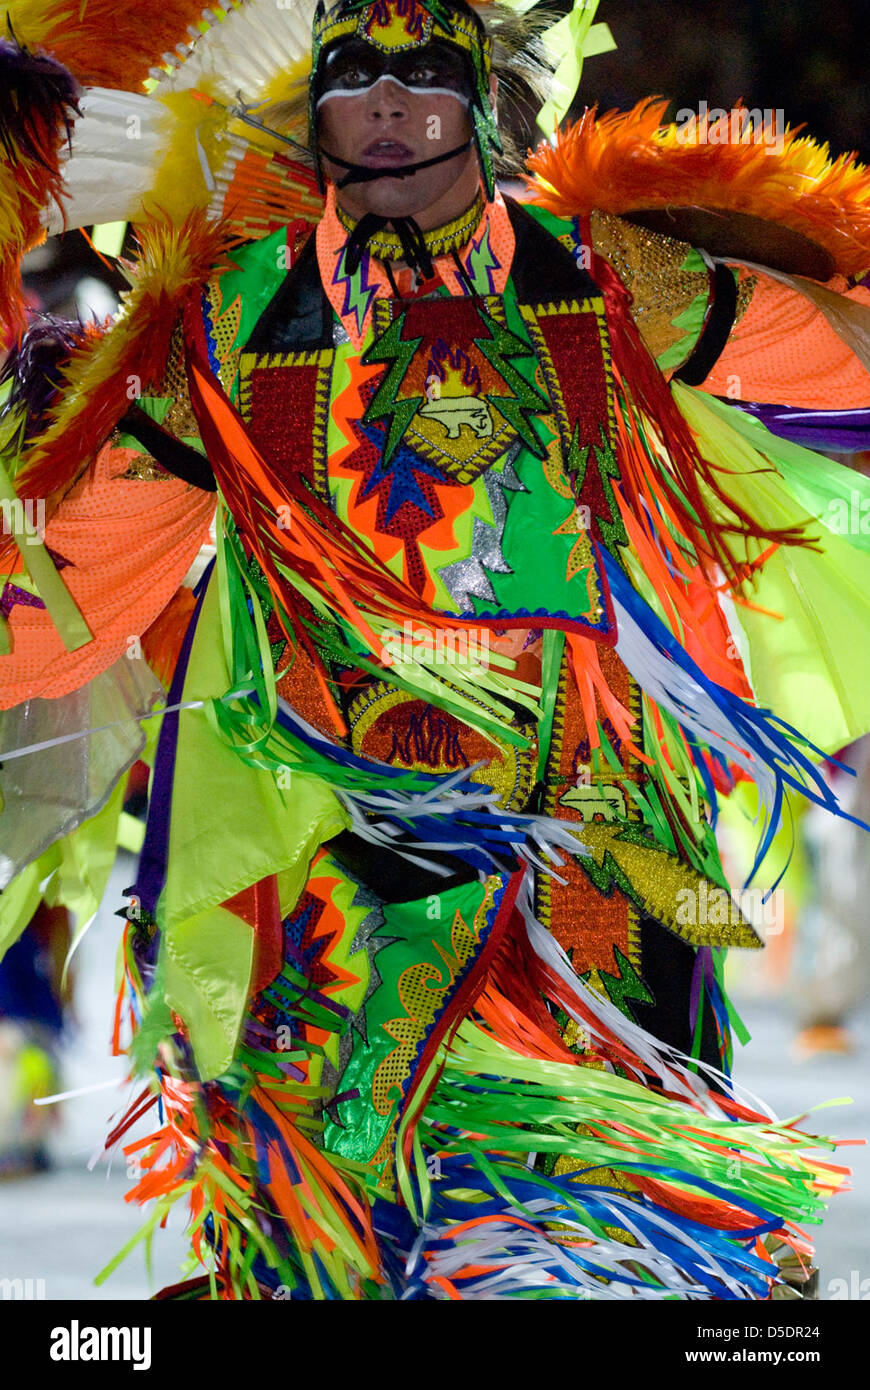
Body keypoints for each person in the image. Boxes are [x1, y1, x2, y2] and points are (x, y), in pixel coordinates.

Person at [1, 0, 870, 1300]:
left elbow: (834, 357)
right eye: (356, 76)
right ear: (316, 115)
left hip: (597, 840)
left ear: (485, 106)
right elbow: (81, 575)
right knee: (334, 1224)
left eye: (427, 76)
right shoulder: (230, 322)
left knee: (613, 1210)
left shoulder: (607, 278)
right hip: (331, 841)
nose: (392, 104)